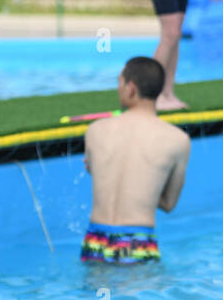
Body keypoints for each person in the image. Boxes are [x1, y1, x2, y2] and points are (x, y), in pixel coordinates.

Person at [81, 57, 191, 263]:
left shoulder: (95, 130)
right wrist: (144, 185)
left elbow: (103, 177)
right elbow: (168, 204)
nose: (118, 89)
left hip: (95, 241)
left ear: (131, 88)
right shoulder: (178, 140)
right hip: (137, 242)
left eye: (119, 82)